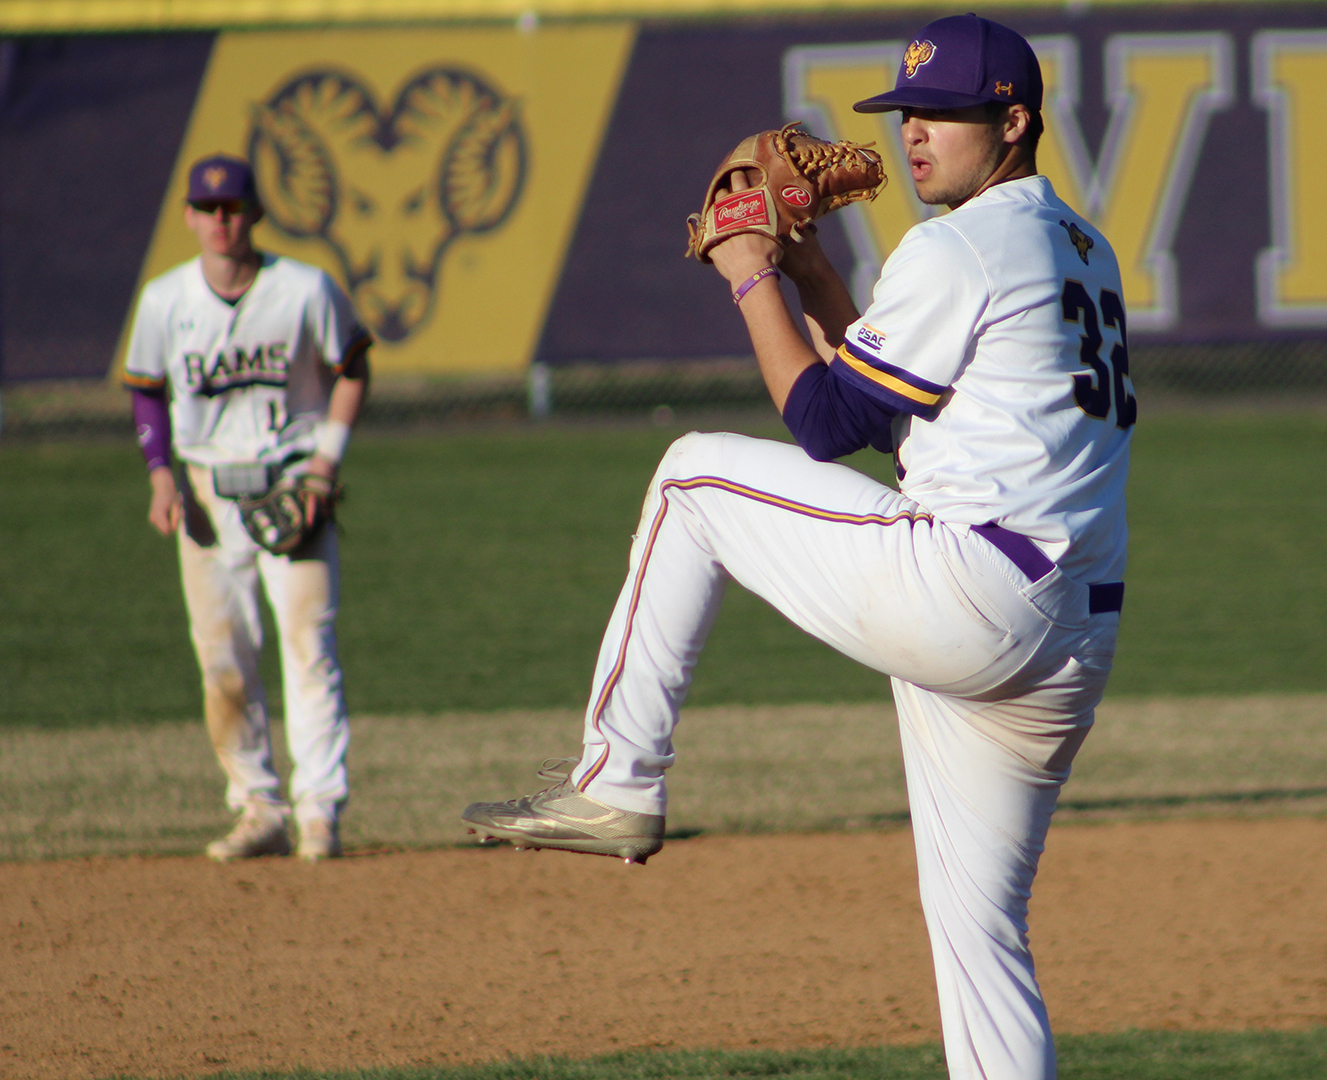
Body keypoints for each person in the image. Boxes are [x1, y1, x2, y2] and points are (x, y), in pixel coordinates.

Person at [462, 14, 1132, 1078]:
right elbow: (895, 417)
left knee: (691, 475)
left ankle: (620, 781)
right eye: (905, 113)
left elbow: (821, 428)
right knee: (978, 937)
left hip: (973, 590)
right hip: (1067, 636)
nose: (913, 133)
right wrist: (814, 278)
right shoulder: (1078, 247)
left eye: (942, 114)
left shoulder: (956, 247)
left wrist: (748, 272)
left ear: (1013, 121)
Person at [125, 154, 372, 862]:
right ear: (188, 218)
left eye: (232, 206)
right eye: (207, 209)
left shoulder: (302, 289)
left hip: (293, 484)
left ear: (255, 211)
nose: (220, 220)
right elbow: (146, 388)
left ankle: (319, 810)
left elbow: (352, 367)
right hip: (205, 496)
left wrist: (325, 463)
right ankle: (259, 807)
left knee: (308, 648)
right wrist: (161, 474)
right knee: (223, 658)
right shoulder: (166, 299)